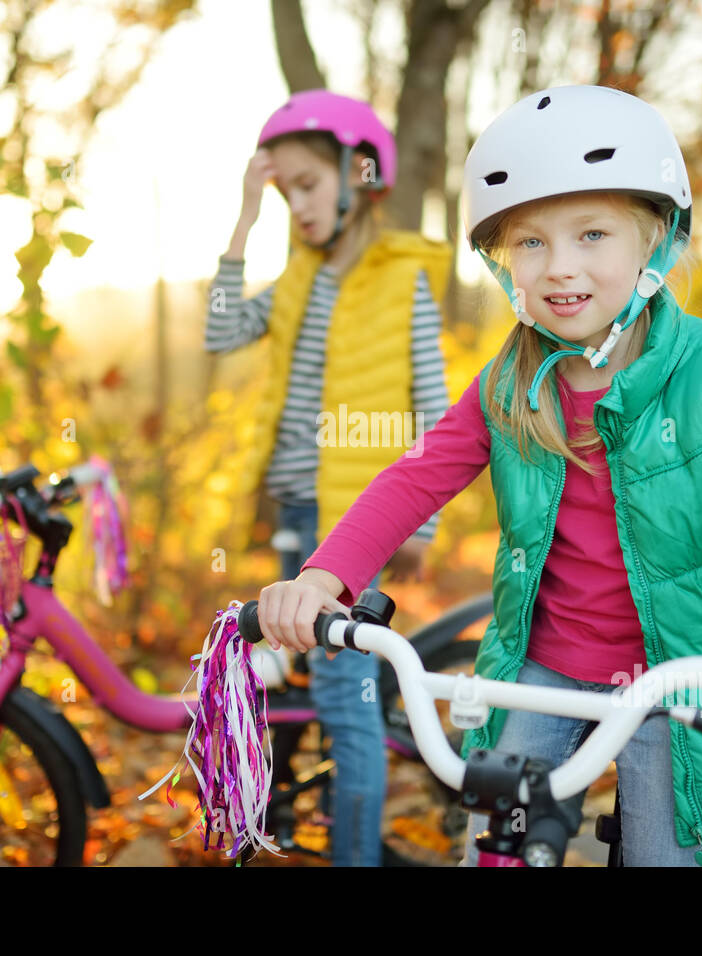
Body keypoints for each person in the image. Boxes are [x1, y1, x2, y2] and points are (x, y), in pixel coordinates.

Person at [253, 85, 702, 866]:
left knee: (667, 851)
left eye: (592, 234)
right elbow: (414, 479)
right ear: (503, 264)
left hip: (680, 676)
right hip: (547, 667)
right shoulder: (508, 384)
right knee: (497, 842)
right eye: (530, 243)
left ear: (654, 238)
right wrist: (325, 577)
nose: (560, 269)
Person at [204, 89, 453, 866]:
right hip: (295, 508)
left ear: (360, 175)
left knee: (344, 704)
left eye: (308, 185)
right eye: (285, 194)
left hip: (353, 518)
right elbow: (219, 331)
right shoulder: (296, 282)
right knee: (313, 684)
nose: (297, 207)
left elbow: (436, 403)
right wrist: (245, 219)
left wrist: (423, 525)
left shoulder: (402, 278)